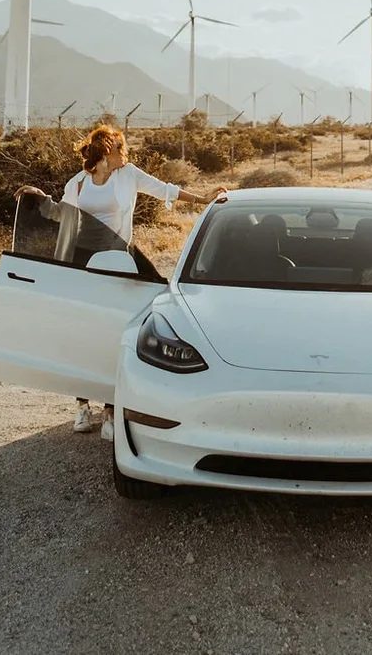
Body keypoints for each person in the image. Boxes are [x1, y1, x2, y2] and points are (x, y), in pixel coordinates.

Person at [16, 124, 224, 439]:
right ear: (105, 152)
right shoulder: (79, 183)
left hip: (119, 258)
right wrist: (39, 197)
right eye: (119, 148)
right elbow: (61, 213)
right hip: (83, 260)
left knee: (123, 323)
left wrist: (202, 199)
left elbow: (164, 189)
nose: (124, 154)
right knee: (83, 329)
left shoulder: (128, 175)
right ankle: (82, 405)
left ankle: (111, 408)